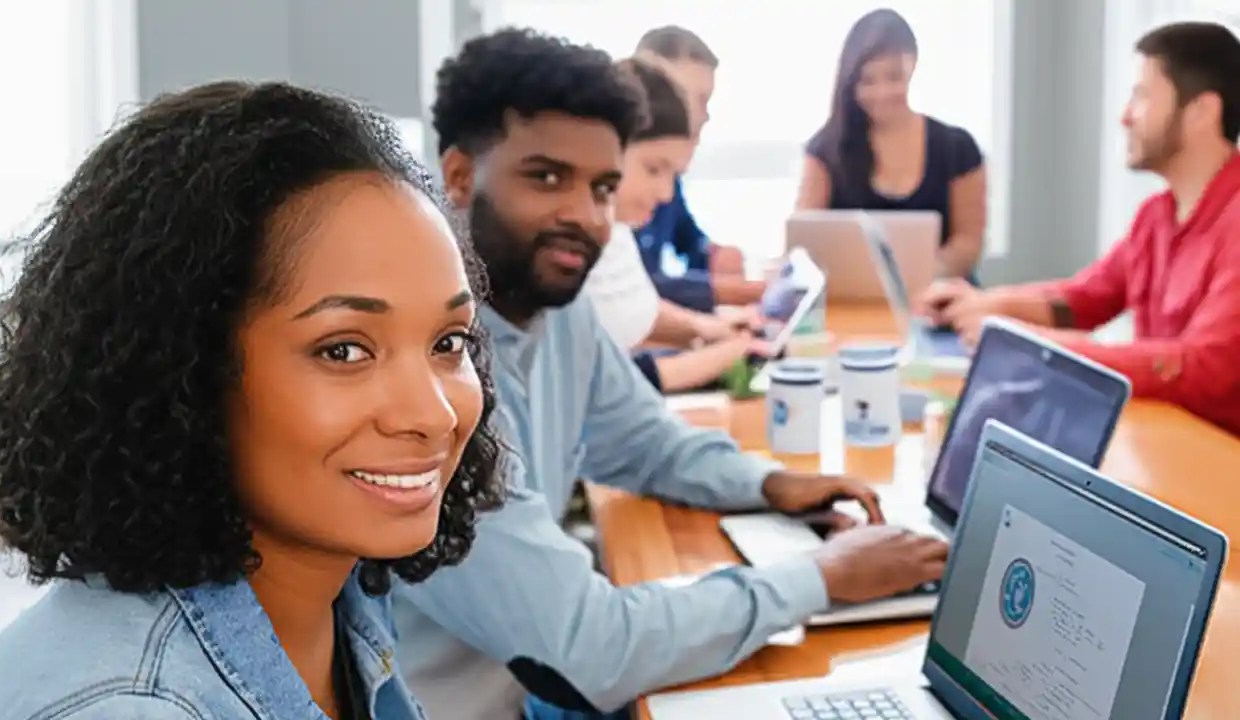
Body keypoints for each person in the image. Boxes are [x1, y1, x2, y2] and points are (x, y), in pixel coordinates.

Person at [392, 28, 949, 720]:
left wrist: (770, 485)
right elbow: (586, 649)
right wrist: (823, 576)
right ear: (458, 176)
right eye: (546, 178)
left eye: (601, 188)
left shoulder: (558, 310)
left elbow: (645, 441)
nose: (584, 217)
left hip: (521, 683)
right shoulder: (420, 379)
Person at [0, 82, 505, 719]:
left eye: (448, 341)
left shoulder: (333, 599)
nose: (434, 413)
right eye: (344, 350)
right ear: (182, 370)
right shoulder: (132, 707)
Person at [922, 21, 1240, 437]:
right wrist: (988, 304)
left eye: (1142, 96)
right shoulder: (1157, 215)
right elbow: (1086, 298)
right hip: (1164, 441)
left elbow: (1201, 370)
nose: (1125, 116)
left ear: (1202, 112)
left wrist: (1031, 346)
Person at [586, 57, 768, 393]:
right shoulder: (573, 247)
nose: (667, 194)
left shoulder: (618, 231)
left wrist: (712, 329)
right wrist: (730, 353)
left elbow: (635, 306)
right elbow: (605, 388)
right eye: (654, 169)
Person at [796, 9, 987, 280]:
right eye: (868, 81)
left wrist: (921, 280)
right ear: (851, 83)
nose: (882, 92)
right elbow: (806, 242)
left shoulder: (957, 147)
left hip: (940, 297)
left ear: (913, 66)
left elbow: (968, 242)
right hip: (855, 300)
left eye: (894, 77)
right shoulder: (825, 150)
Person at [632, 26, 767, 311]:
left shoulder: (667, 175)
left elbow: (688, 240)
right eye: (698, 99)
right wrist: (732, 291)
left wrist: (713, 253)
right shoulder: (619, 178)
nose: (705, 116)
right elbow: (633, 289)